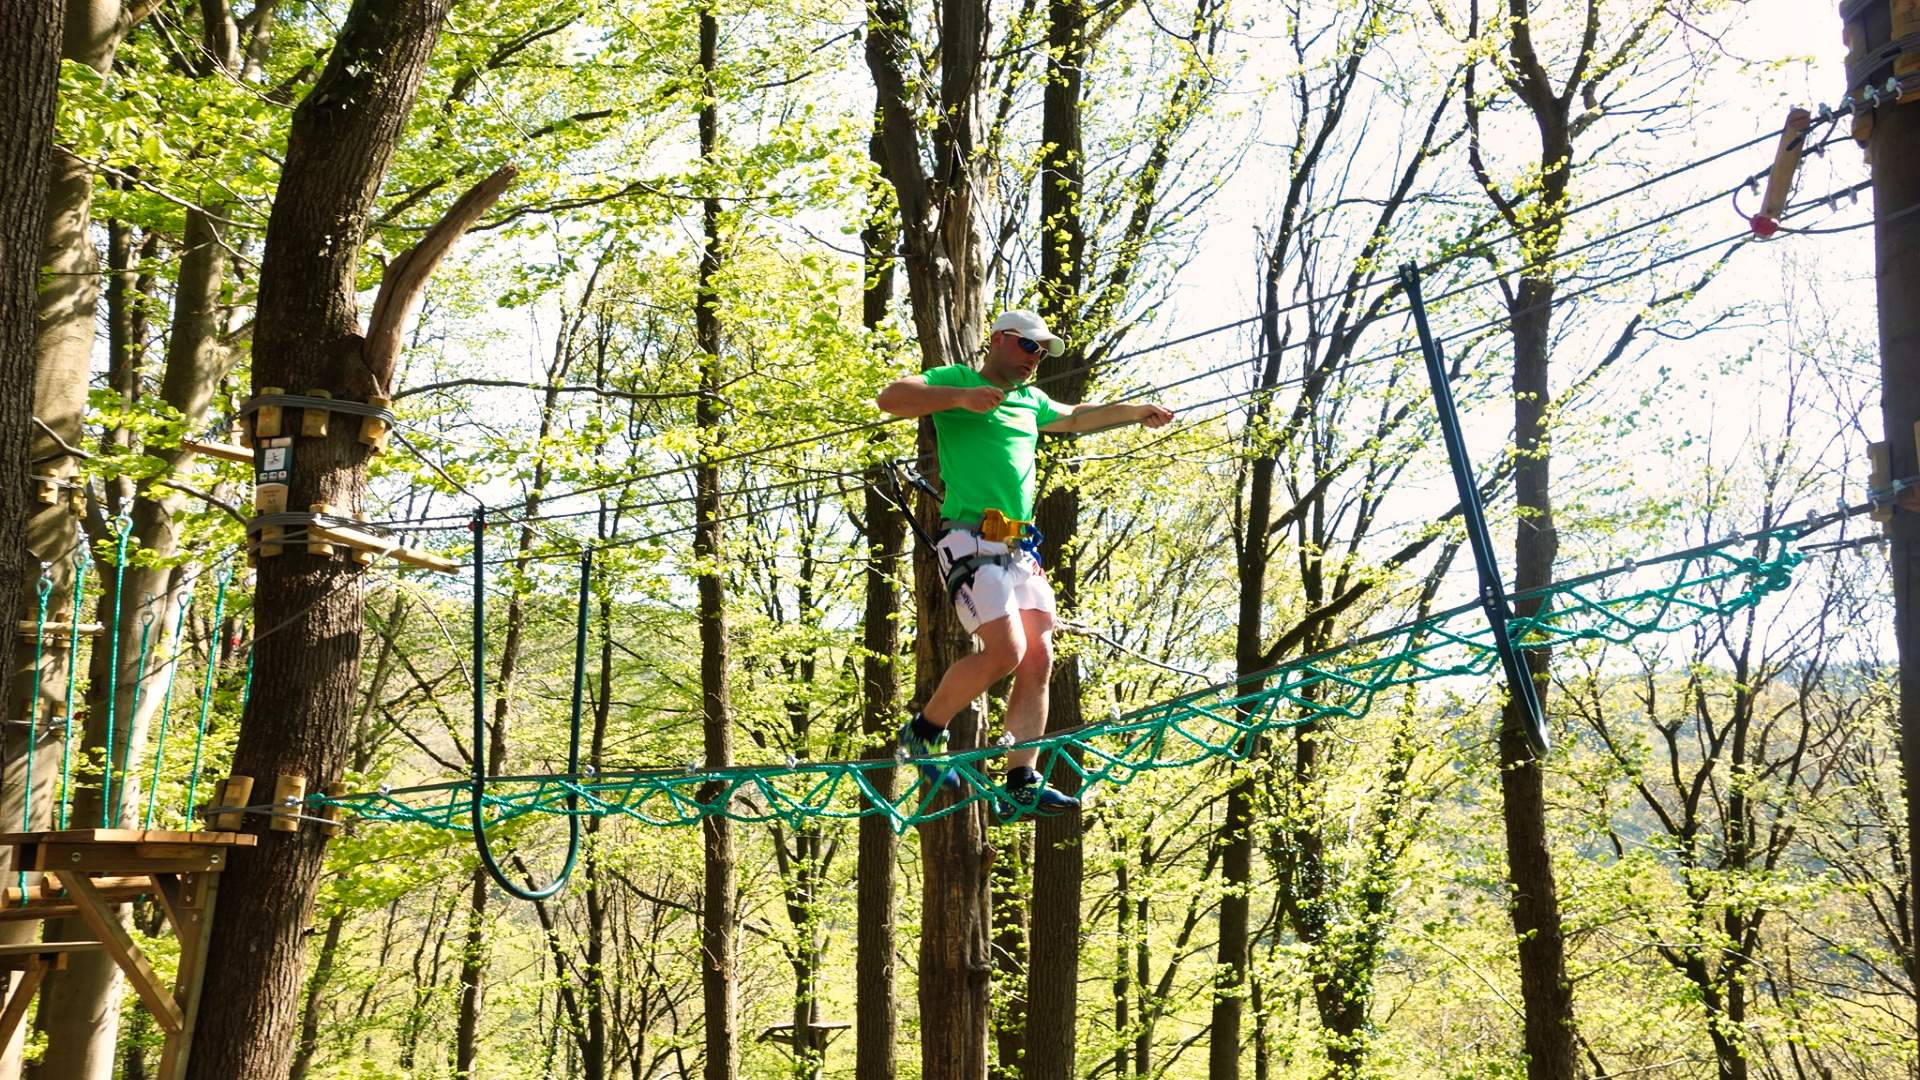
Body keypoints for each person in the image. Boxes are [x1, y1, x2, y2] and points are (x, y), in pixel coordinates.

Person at [874, 309, 1174, 816]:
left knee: (1040, 656)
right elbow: (891, 398)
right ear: (998, 340)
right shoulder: (958, 380)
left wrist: (1135, 410)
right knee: (1006, 652)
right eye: (1029, 347)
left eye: (1042, 352)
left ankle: (1020, 779)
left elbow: (1077, 416)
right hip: (970, 541)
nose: (1035, 359)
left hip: (1020, 548)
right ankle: (924, 732)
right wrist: (959, 399)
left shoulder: (1030, 401)